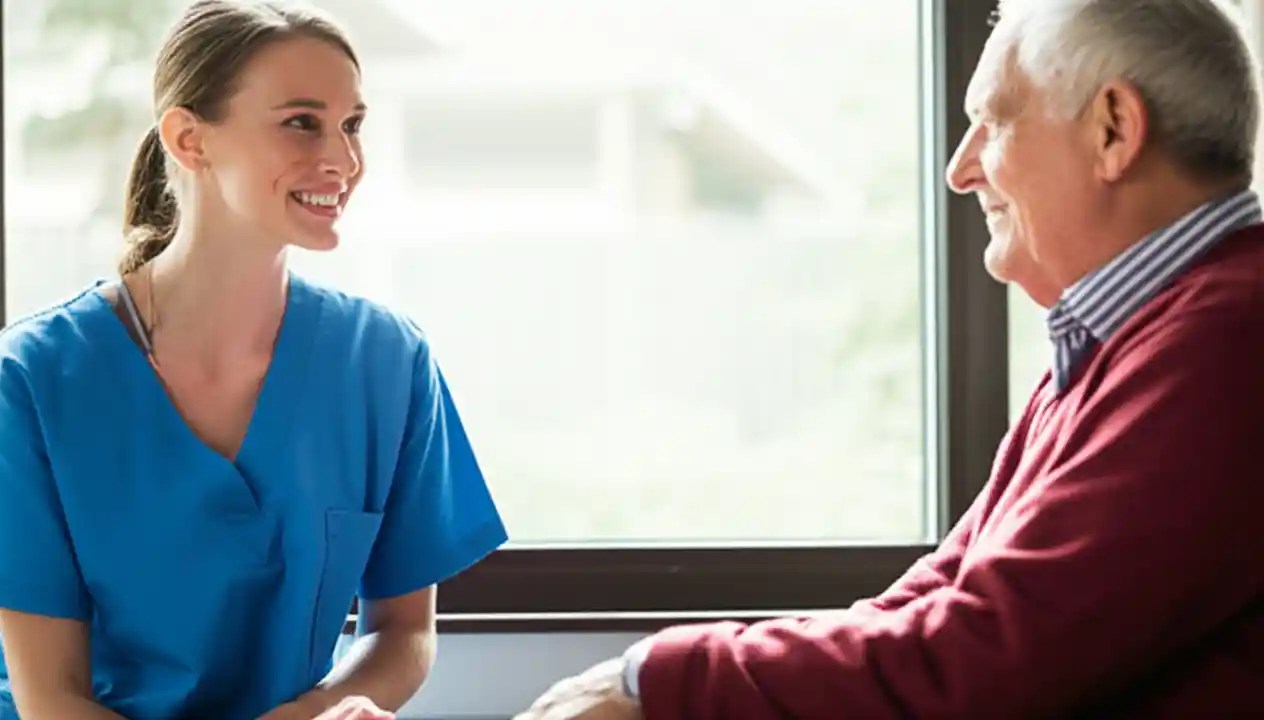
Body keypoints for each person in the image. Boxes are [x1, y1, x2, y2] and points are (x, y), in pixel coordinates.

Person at [517, 0, 1264, 717]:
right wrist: (649, 682)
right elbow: (928, 602)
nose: (960, 169)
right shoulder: (1135, 336)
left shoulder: (1229, 341)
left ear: (1113, 130)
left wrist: (658, 682)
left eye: (992, 122)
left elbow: (983, 655)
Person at [0, 1, 508, 718]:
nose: (344, 160)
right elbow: (52, 697)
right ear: (190, 140)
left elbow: (404, 632)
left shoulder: (386, 363)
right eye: (302, 122)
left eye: (352, 125)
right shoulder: (29, 378)